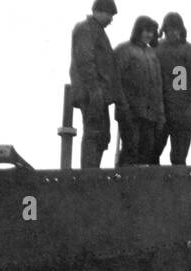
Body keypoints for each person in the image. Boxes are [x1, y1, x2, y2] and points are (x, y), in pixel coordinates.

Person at [70, 0, 119, 169]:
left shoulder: (97, 31)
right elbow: (85, 61)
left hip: (99, 94)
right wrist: (95, 90)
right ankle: (88, 175)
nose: (111, 19)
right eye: (109, 15)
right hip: (91, 93)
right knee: (94, 133)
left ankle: (92, 172)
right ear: (99, 11)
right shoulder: (86, 29)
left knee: (102, 136)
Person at [111, 15, 164, 166]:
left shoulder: (152, 54)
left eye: (152, 32)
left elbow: (158, 85)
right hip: (130, 111)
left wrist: (160, 114)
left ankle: (137, 188)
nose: (149, 35)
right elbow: (116, 79)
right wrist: (122, 105)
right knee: (130, 149)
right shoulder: (124, 50)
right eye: (146, 31)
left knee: (146, 152)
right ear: (138, 31)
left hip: (150, 114)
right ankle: (120, 185)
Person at [154, 12, 191, 165]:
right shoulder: (156, 49)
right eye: (169, 30)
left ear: (181, 30)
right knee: (151, 154)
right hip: (160, 111)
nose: (173, 33)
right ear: (164, 30)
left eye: (176, 30)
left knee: (178, 158)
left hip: (182, 113)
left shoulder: (188, 50)